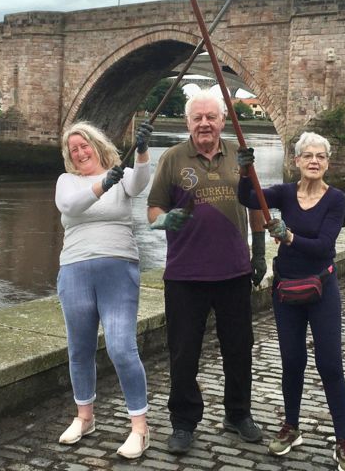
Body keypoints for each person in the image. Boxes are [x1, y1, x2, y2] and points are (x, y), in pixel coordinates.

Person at [146, 90, 267, 455]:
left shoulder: (241, 158)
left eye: (211, 117)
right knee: (184, 352)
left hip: (233, 272)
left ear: (222, 121)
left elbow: (257, 206)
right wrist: (167, 219)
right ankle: (183, 422)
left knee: (239, 348)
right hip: (185, 275)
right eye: (197, 117)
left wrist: (259, 254)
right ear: (188, 122)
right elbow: (152, 210)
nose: (204, 123)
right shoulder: (172, 158)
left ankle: (238, 413)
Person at [236, 132, 345, 471]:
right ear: (297, 162)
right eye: (308, 156)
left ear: (327, 163)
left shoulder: (336, 199)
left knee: (330, 364)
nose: (314, 161)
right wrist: (244, 172)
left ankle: (343, 442)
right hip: (287, 290)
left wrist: (288, 236)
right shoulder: (285, 194)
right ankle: (291, 427)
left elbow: (323, 245)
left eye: (320, 156)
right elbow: (248, 198)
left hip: (321, 289)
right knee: (292, 361)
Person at [54, 120, 154, 459]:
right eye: (74, 149)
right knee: (79, 349)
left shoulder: (121, 174)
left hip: (118, 268)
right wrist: (101, 186)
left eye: (85, 146)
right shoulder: (67, 181)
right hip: (75, 270)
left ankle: (140, 427)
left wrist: (141, 153)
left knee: (121, 347)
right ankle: (85, 417)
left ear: (97, 146)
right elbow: (70, 207)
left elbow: (140, 184)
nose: (81, 153)